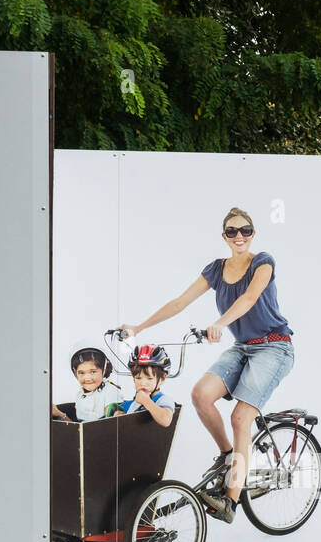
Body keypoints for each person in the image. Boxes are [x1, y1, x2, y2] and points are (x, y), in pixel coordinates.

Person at [120, 208, 294, 524]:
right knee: (200, 395)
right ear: (224, 236)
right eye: (231, 231)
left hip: (275, 347)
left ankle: (230, 500)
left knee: (241, 416)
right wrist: (138, 328)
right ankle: (231, 456)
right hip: (243, 348)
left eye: (245, 230)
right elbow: (179, 302)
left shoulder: (263, 261)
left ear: (253, 233)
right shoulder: (215, 270)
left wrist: (219, 323)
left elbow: (250, 299)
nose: (239, 236)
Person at [111, 344, 175, 428]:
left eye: (149, 378)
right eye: (138, 378)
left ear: (162, 378)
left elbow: (166, 420)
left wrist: (146, 401)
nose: (143, 383)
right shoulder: (134, 403)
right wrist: (117, 413)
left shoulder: (163, 400)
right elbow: (115, 410)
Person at [53, 346, 117, 422]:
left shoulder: (110, 391)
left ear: (104, 369)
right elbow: (77, 427)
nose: (87, 378)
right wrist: (59, 414)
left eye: (93, 372)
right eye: (81, 373)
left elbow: (105, 424)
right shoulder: (80, 394)